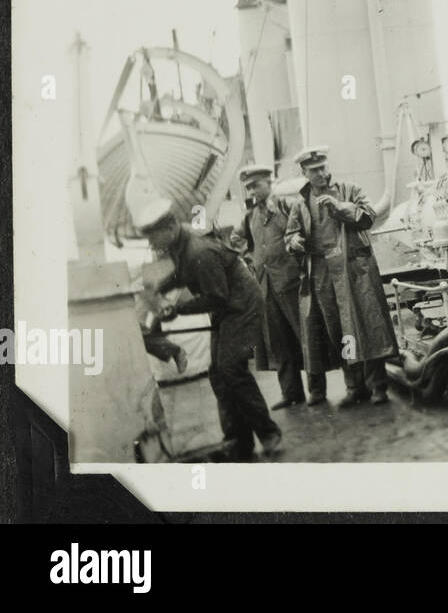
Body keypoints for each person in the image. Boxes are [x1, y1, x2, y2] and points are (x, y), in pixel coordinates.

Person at [134, 198, 280, 460]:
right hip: (229, 307)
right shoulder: (180, 244)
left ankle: (268, 432)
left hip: (241, 306)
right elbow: (183, 273)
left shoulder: (198, 250)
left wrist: (177, 310)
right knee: (218, 374)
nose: (151, 245)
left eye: (153, 238)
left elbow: (217, 297)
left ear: (169, 228)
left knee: (231, 369)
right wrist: (161, 288)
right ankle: (237, 440)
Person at [284, 146, 397, 407]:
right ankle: (355, 387)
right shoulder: (300, 203)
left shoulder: (349, 190)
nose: (322, 173)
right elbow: (289, 236)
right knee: (340, 331)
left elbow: (369, 216)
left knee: (367, 326)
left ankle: (378, 385)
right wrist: (295, 242)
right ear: (304, 172)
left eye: (323, 167)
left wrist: (340, 207)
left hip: (354, 270)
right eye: (315, 170)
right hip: (322, 274)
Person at [237, 164, 331, 408]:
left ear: (269, 183)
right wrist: (250, 259)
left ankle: (317, 390)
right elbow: (240, 240)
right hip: (266, 286)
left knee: (305, 336)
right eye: (248, 187)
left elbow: (306, 232)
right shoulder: (250, 216)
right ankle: (291, 393)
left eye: (255, 185)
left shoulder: (287, 206)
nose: (252, 191)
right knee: (278, 341)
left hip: (292, 283)